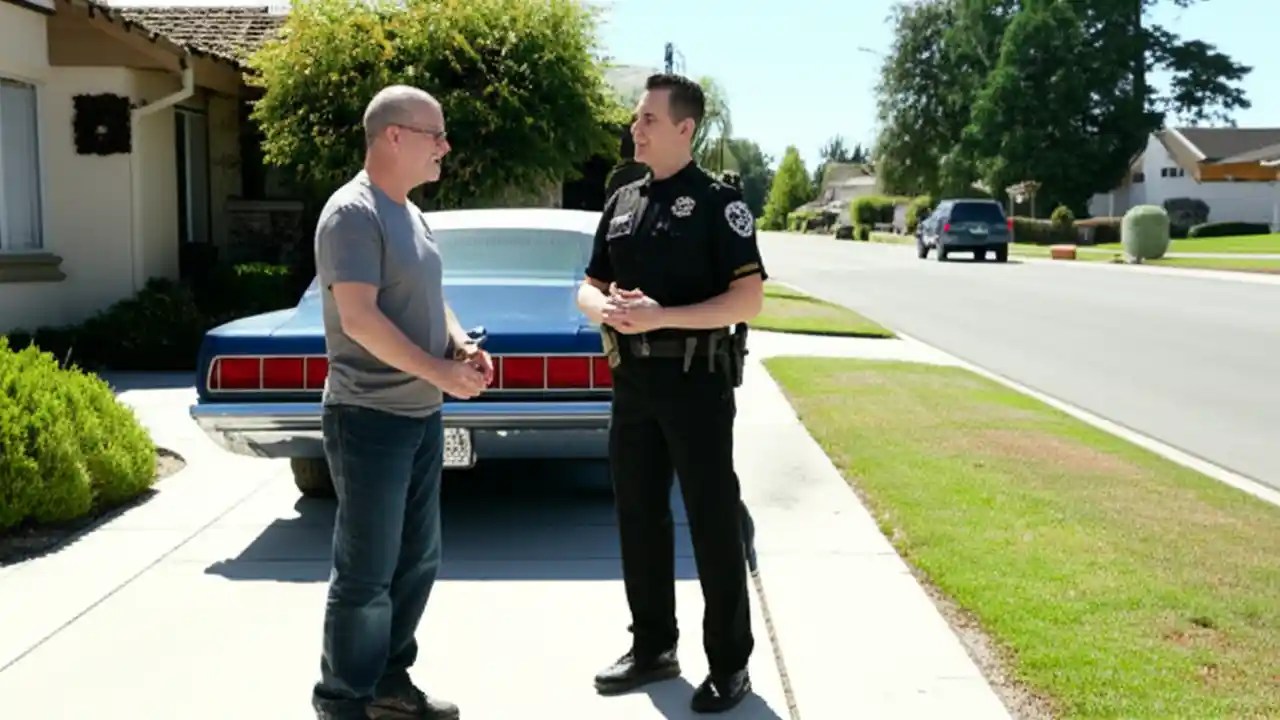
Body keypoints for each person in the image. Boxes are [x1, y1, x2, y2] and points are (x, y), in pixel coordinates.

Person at [575, 72, 768, 714]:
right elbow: (586, 285)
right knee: (639, 516)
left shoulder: (719, 203)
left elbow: (749, 299)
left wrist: (661, 316)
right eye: (637, 118)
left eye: (648, 119)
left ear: (685, 129)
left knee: (712, 522)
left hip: (696, 383)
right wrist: (607, 309)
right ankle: (654, 646)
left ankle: (730, 665)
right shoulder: (623, 201)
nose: (636, 127)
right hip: (631, 383)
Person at [310, 84, 493, 720]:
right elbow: (359, 319)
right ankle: (343, 699)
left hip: (417, 416)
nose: (445, 145)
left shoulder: (410, 214)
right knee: (365, 574)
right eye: (433, 133)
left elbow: (426, 297)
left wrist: (459, 343)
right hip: (368, 418)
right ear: (393, 136)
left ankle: (389, 683)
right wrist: (441, 372)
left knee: (417, 559)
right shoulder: (351, 215)